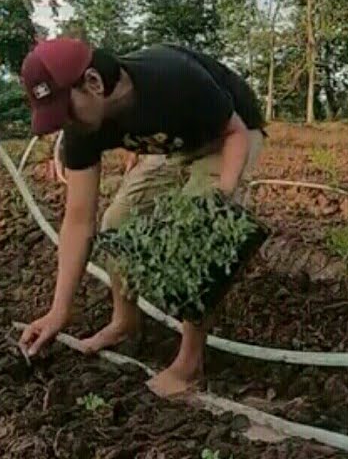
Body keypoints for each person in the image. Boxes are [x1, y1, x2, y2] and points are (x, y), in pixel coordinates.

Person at [15, 37, 266, 397]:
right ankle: (125, 322)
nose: (64, 123)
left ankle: (189, 363)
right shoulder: (82, 129)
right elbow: (78, 219)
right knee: (116, 223)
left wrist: (221, 198)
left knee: (198, 231)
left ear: (94, 84)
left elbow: (235, 131)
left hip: (228, 133)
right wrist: (59, 311)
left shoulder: (171, 79)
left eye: (65, 110)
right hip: (169, 145)